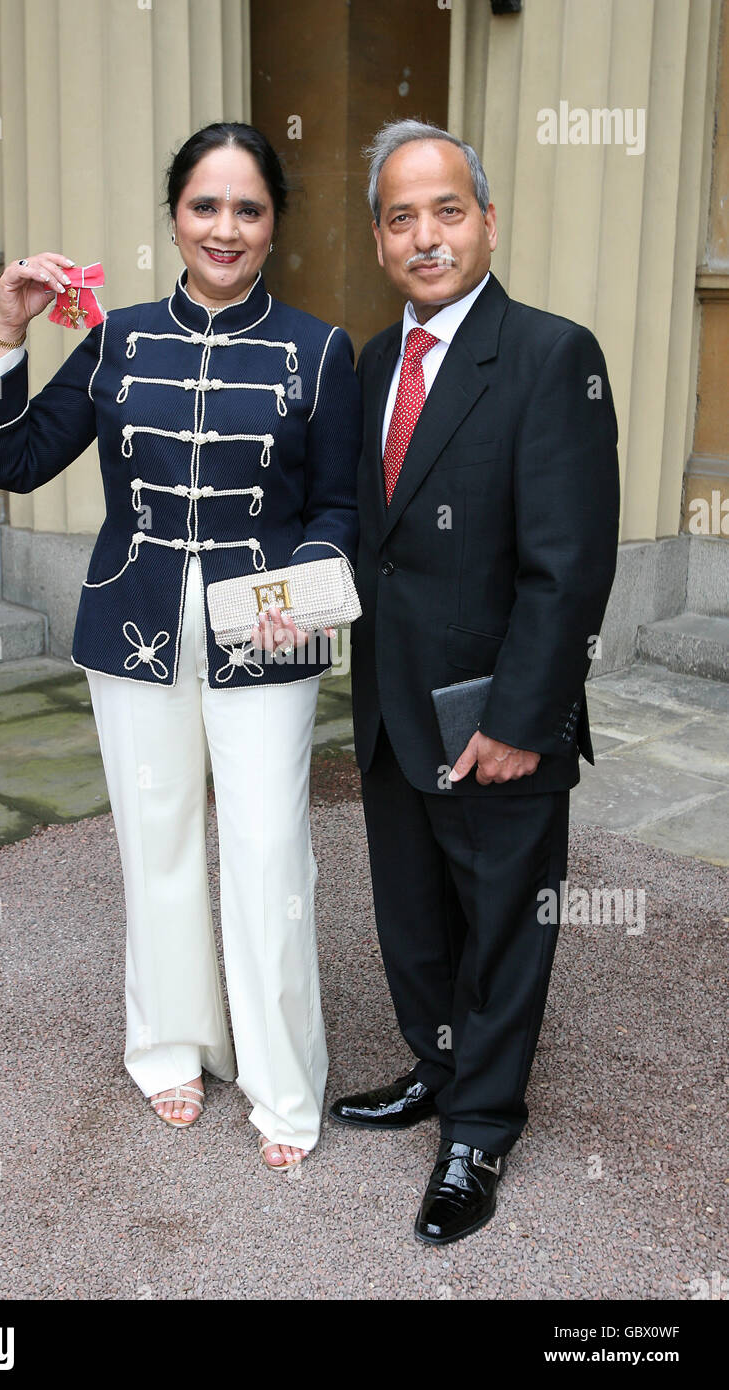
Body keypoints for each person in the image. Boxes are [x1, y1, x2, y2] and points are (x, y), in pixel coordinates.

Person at [0, 122, 361, 1172]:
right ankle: (167, 1042)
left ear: (273, 224)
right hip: (130, 622)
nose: (223, 228)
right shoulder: (117, 337)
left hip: (263, 629)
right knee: (157, 843)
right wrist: (6, 335)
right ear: (173, 215)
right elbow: (14, 460)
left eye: (247, 208)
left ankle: (283, 1080)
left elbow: (337, 506)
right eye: (203, 205)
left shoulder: (319, 347)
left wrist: (297, 590)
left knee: (270, 854)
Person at [331, 119, 619, 1242]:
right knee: (412, 920)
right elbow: (370, 537)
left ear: (486, 221)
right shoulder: (369, 363)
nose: (425, 234)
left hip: (494, 715)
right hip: (395, 712)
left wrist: (519, 720)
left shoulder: (551, 355)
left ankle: (480, 1128)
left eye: (446, 209)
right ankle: (434, 1069)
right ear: (377, 238)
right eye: (400, 216)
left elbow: (568, 565)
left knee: (502, 927)